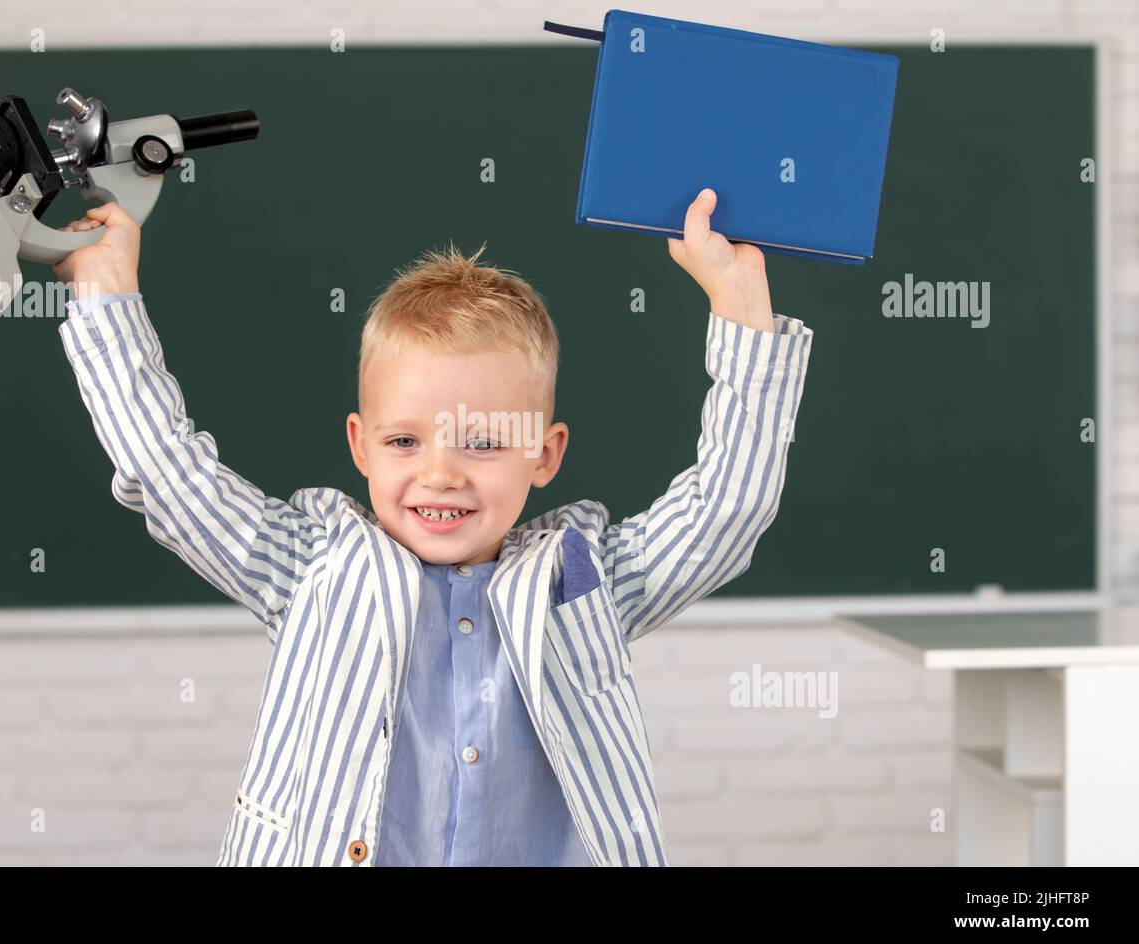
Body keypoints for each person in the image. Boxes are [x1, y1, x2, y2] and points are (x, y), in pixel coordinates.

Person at [52, 189, 813, 865]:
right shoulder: (313, 567)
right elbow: (167, 469)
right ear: (361, 446)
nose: (441, 474)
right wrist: (105, 296)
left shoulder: (583, 579)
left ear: (543, 455)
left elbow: (727, 507)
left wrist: (741, 304)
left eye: (482, 441)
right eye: (404, 441)